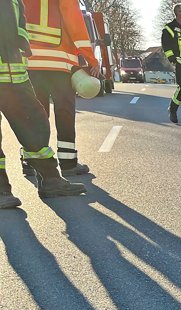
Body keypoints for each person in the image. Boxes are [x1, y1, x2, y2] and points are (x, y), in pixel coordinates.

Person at [0, 0, 85, 207]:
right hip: (8, 74)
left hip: (12, 72)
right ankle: (3, 190)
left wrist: (21, 44)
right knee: (33, 123)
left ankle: (50, 179)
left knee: (34, 124)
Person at [22, 0, 100, 176]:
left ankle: (31, 162)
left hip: (30, 62)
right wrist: (91, 58)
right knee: (64, 113)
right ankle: (68, 163)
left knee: (34, 114)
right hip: (59, 64)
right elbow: (75, 22)